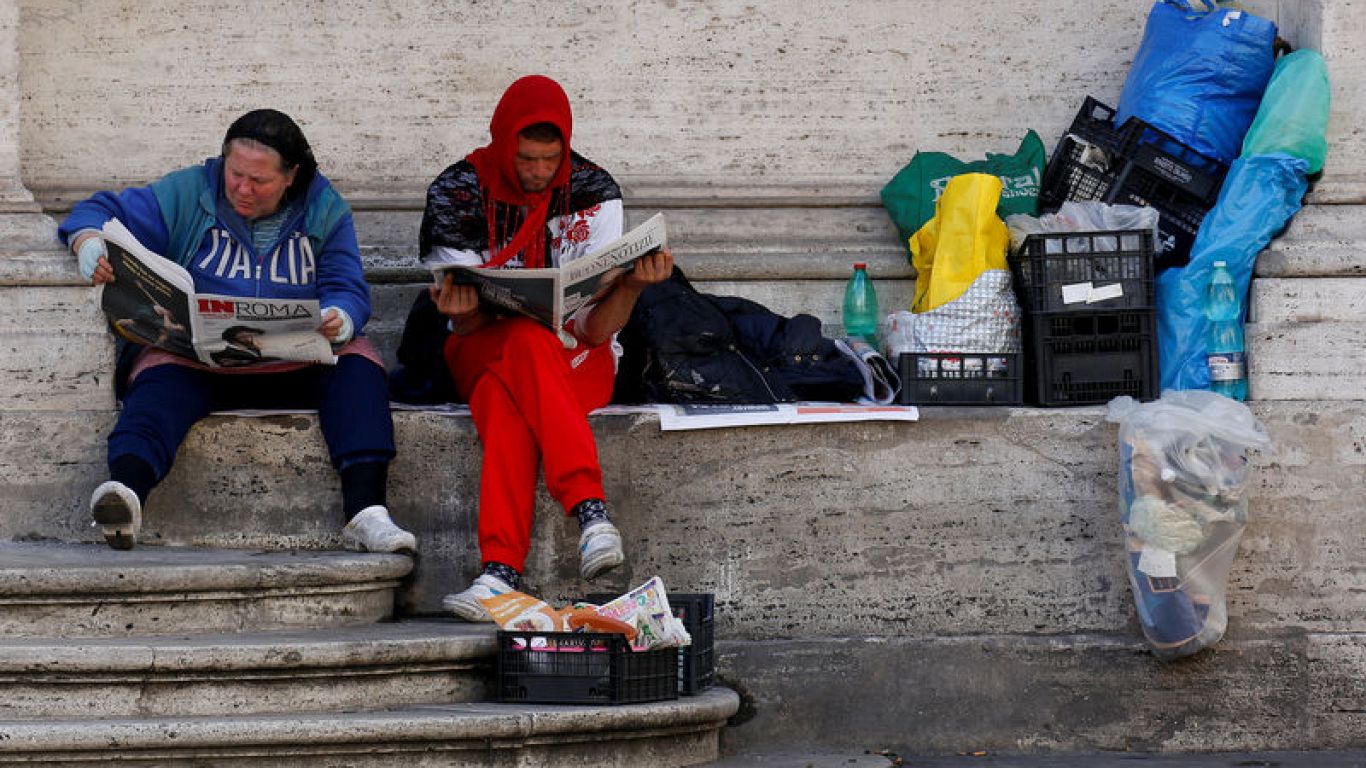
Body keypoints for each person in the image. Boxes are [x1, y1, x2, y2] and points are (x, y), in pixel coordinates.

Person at [60, 109, 415, 554]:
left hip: (294, 361)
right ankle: (125, 492)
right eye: (235, 174)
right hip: (200, 360)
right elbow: (97, 210)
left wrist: (339, 315)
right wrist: (87, 241)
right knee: (155, 383)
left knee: (360, 368)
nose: (243, 189)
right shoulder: (189, 192)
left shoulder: (325, 210)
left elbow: (346, 287)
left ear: (292, 176)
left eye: (259, 181)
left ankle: (368, 514)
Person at [418, 75, 672, 620]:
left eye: (549, 160)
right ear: (502, 140)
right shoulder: (456, 191)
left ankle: (498, 577)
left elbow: (599, 332)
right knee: (526, 343)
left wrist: (630, 284)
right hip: (480, 344)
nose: (537, 172)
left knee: (502, 400)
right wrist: (465, 312)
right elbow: (459, 330)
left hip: (579, 358)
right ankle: (590, 512)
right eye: (527, 158)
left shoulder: (595, 191)